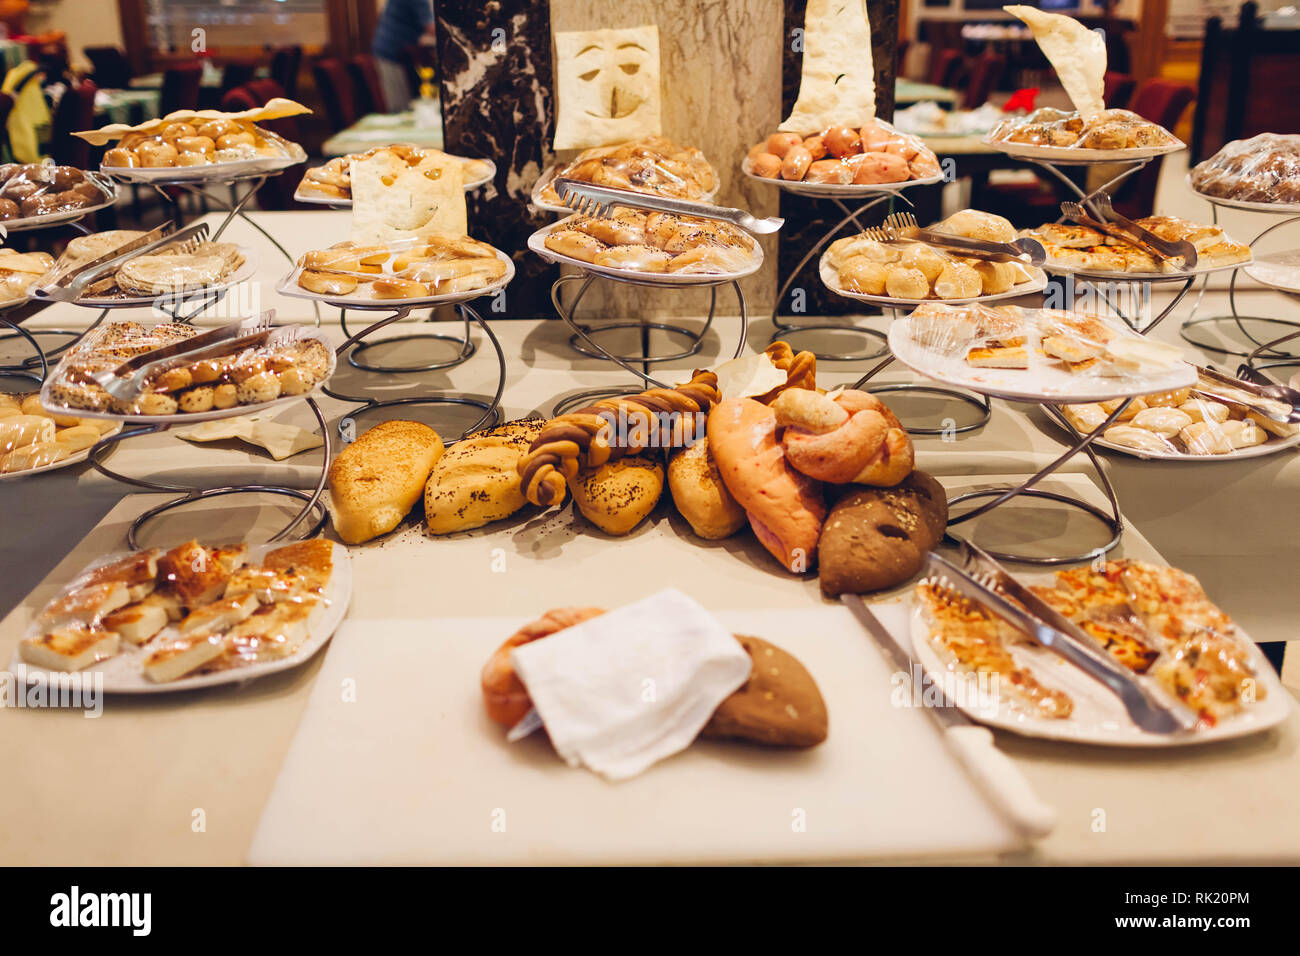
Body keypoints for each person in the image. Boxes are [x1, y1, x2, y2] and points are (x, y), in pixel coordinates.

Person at [372, 0, 435, 112]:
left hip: (393, 50)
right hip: (390, 50)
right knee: (399, 105)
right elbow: (432, 28)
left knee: (402, 101)